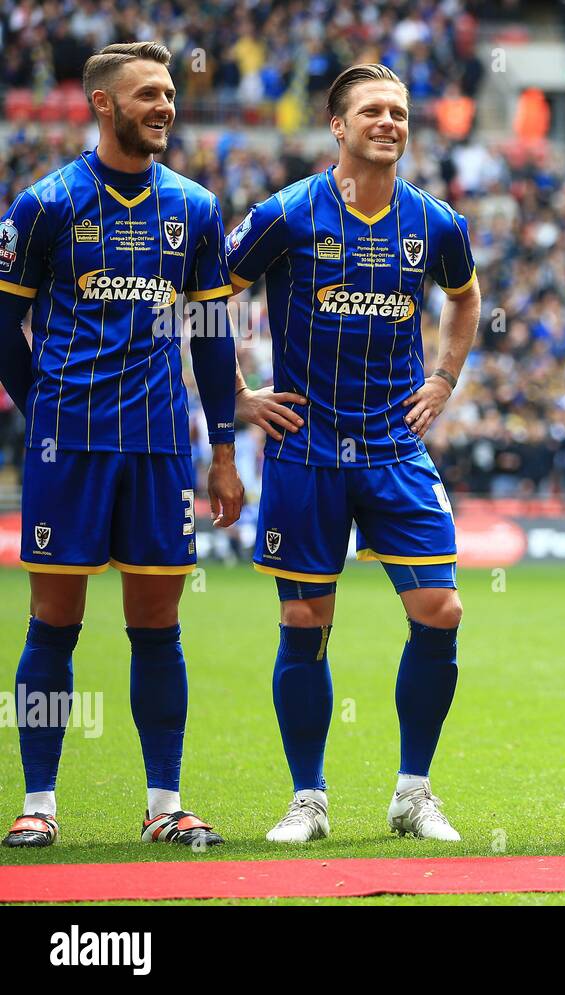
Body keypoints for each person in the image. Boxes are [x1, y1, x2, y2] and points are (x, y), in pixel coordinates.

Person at [226, 64, 481, 843]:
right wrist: (239, 394)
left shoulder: (435, 222)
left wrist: (442, 378)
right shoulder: (285, 213)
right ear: (337, 125)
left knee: (442, 609)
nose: (390, 121)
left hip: (394, 445)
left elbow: (465, 299)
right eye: (373, 110)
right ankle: (309, 797)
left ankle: (413, 792)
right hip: (306, 447)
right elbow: (210, 292)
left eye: (400, 111)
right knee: (305, 620)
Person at [0, 42, 243, 848]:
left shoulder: (197, 209)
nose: (165, 106)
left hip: (157, 444)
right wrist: (44, 408)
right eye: (148, 94)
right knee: (54, 620)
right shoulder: (44, 204)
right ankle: (38, 805)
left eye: (170, 93)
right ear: (103, 104)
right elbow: (4, 325)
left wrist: (223, 448)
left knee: (157, 622)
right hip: (68, 446)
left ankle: (164, 804)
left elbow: (211, 338)